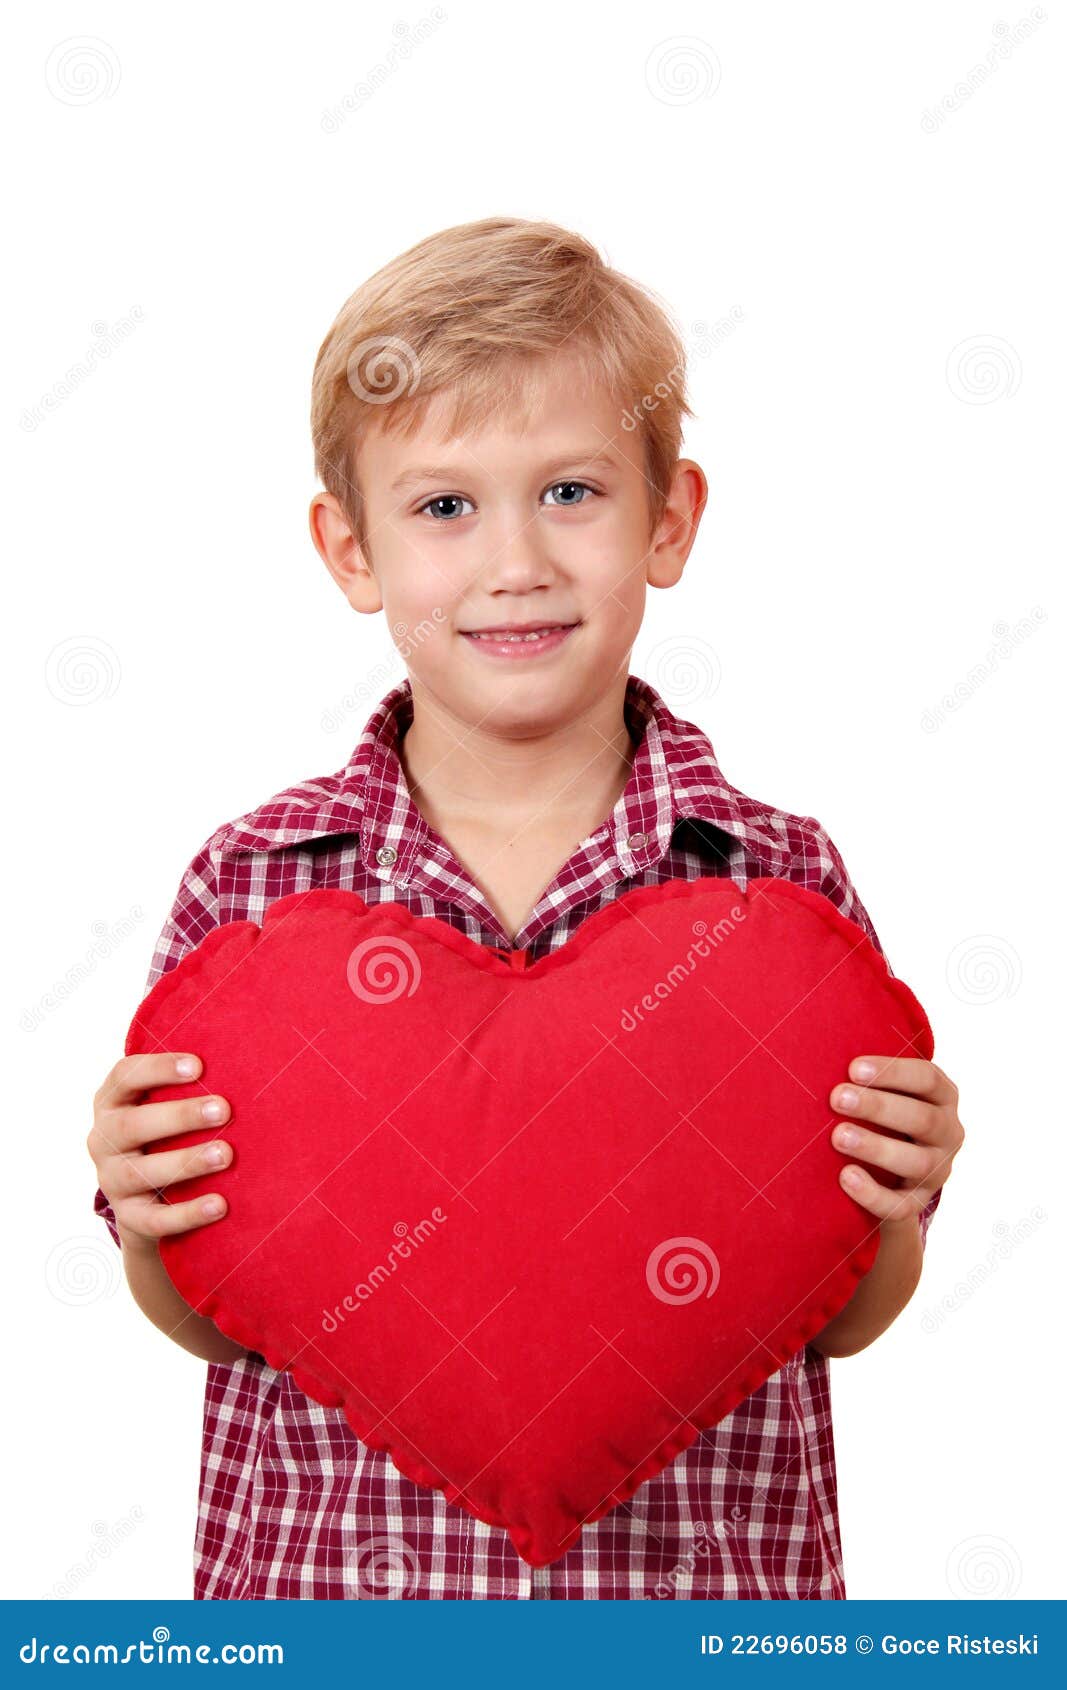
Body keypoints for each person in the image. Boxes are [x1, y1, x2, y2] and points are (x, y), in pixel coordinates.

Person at [87, 216, 965, 1600]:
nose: (516, 561)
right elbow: (215, 1311)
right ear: (350, 550)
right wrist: (150, 1222)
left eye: (570, 492)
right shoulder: (254, 883)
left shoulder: (778, 884)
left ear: (669, 519)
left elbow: (842, 1312)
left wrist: (894, 1204)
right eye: (445, 507)